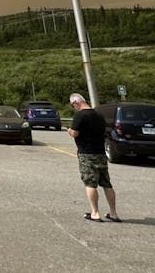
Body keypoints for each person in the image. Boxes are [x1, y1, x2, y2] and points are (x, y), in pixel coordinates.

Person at [68, 93, 121, 223]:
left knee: (90, 183)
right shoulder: (99, 115)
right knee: (106, 183)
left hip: (87, 153)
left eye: (73, 105)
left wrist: (70, 131)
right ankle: (113, 213)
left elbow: (75, 133)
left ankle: (95, 213)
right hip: (101, 153)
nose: (74, 107)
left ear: (76, 103)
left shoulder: (80, 115)